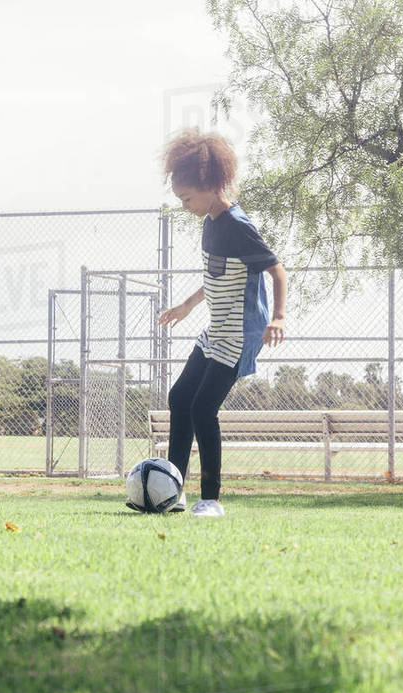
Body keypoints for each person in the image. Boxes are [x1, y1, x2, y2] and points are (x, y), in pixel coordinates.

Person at [158, 130, 288, 517]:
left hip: (240, 332)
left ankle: (211, 499)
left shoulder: (236, 224)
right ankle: (172, 489)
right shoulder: (210, 223)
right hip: (216, 328)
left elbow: (277, 271)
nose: (185, 206)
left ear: (211, 186)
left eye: (187, 199)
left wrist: (279, 317)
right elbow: (217, 276)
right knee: (180, 399)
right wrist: (186, 305)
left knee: (202, 408)